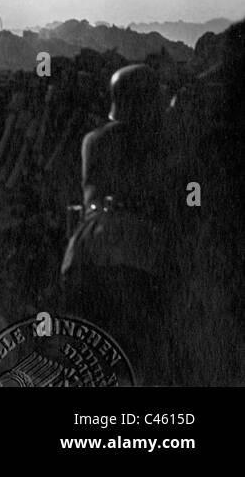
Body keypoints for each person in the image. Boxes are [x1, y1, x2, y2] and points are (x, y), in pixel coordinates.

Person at [61, 63, 176, 382]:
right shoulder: (156, 142)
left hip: (84, 246)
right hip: (133, 249)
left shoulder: (92, 140)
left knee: (88, 356)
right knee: (135, 358)